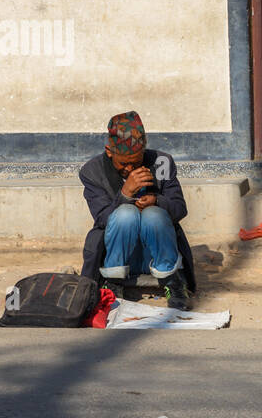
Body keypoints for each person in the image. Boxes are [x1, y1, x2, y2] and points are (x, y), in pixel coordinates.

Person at [79, 110, 196, 311]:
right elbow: (102, 219)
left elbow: (179, 209)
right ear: (109, 151)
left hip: (157, 252)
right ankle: (113, 282)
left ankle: (173, 282)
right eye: (124, 163)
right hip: (119, 254)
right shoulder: (92, 171)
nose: (130, 168)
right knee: (126, 214)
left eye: (137, 161)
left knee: (154, 214)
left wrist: (157, 200)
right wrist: (124, 195)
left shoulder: (161, 162)